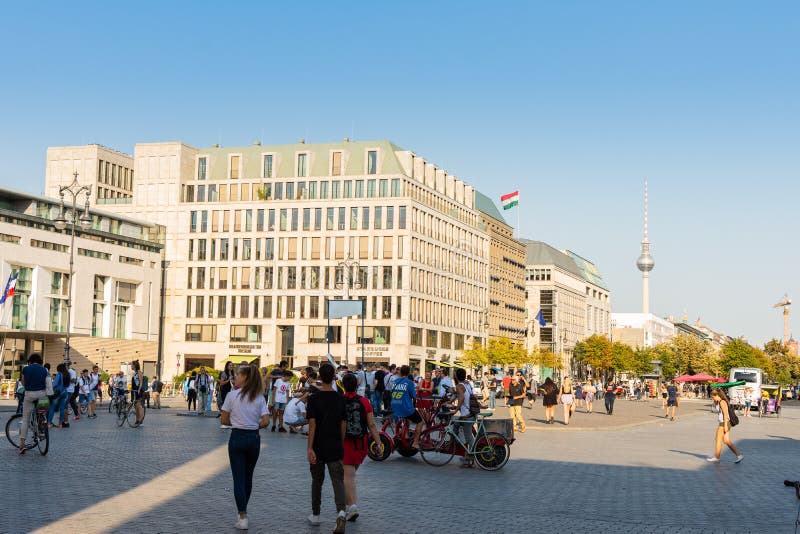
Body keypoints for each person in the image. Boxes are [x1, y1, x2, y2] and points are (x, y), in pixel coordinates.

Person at [220, 364, 270, 531]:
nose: (236, 378)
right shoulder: (259, 397)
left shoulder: (232, 396)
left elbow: (224, 420)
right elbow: (266, 421)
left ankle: (242, 515)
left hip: (237, 437)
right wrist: (253, 425)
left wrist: (237, 422)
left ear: (245, 378)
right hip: (253, 438)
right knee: (248, 477)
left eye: (239, 375)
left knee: (238, 478)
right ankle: (243, 512)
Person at [306, 363, 348, 533]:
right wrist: (341, 440)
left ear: (319, 377)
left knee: (317, 481)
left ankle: (316, 515)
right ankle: (341, 512)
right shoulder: (340, 398)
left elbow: (312, 425)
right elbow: (343, 423)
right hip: (335, 444)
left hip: (318, 444)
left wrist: (309, 448)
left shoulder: (313, 399)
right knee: (337, 481)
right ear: (333, 377)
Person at [341, 372, 382, 523]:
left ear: (343, 385)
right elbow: (371, 424)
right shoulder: (365, 401)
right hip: (361, 443)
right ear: (357, 385)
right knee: (349, 475)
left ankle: (352, 507)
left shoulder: (340, 401)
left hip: (346, 442)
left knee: (347, 476)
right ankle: (348, 507)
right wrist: (378, 442)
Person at [17, 353, 49, 454]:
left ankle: (22, 445)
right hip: (42, 395)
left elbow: (23, 383)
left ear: (30, 361)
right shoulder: (44, 370)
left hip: (29, 394)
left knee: (25, 419)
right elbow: (48, 384)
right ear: (40, 361)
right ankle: (42, 426)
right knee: (42, 413)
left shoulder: (26, 369)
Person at [390, 365, 425, 450]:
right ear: (409, 373)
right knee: (420, 422)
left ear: (400, 372)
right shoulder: (409, 382)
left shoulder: (395, 381)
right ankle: (415, 443)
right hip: (405, 408)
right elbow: (414, 396)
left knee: (407, 417)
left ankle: (405, 435)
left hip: (395, 406)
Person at [707, 388, 743, 463]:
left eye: (713, 397)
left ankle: (717, 457)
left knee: (718, 439)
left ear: (717, 395)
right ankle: (739, 455)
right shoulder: (720, 401)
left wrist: (726, 426)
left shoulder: (722, 402)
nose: (712, 398)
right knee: (726, 441)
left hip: (724, 423)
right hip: (725, 422)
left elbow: (726, 414)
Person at [454, 368, 477, 468]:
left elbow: (462, 397)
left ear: (456, 376)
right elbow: (460, 394)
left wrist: (455, 409)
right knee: (455, 424)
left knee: (468, 436)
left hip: (467, 415)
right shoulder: (467, 384)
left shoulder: (459, 385)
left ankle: (470, 457)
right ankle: (464, 451)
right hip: (472, 412)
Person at [48, 363, 70, 427]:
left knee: (52, 407)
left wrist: (50, 388)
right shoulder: (67, 375)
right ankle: (60, 424)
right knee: (62, 409)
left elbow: (54, 384)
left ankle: (49, 423)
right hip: (65, 392)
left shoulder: (59, 374)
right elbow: (67, 385)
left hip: (58, 393)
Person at [130, 360, 145, 426]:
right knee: (135, 406)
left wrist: (139, 390)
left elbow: (141, 382)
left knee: (139, 406)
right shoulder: (134, 373)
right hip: (134, 391)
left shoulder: (139, 372)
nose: (131, 366)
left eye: (132, 365)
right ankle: (137, 419)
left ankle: (140, 421)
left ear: (135, 365)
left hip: (138, 391)